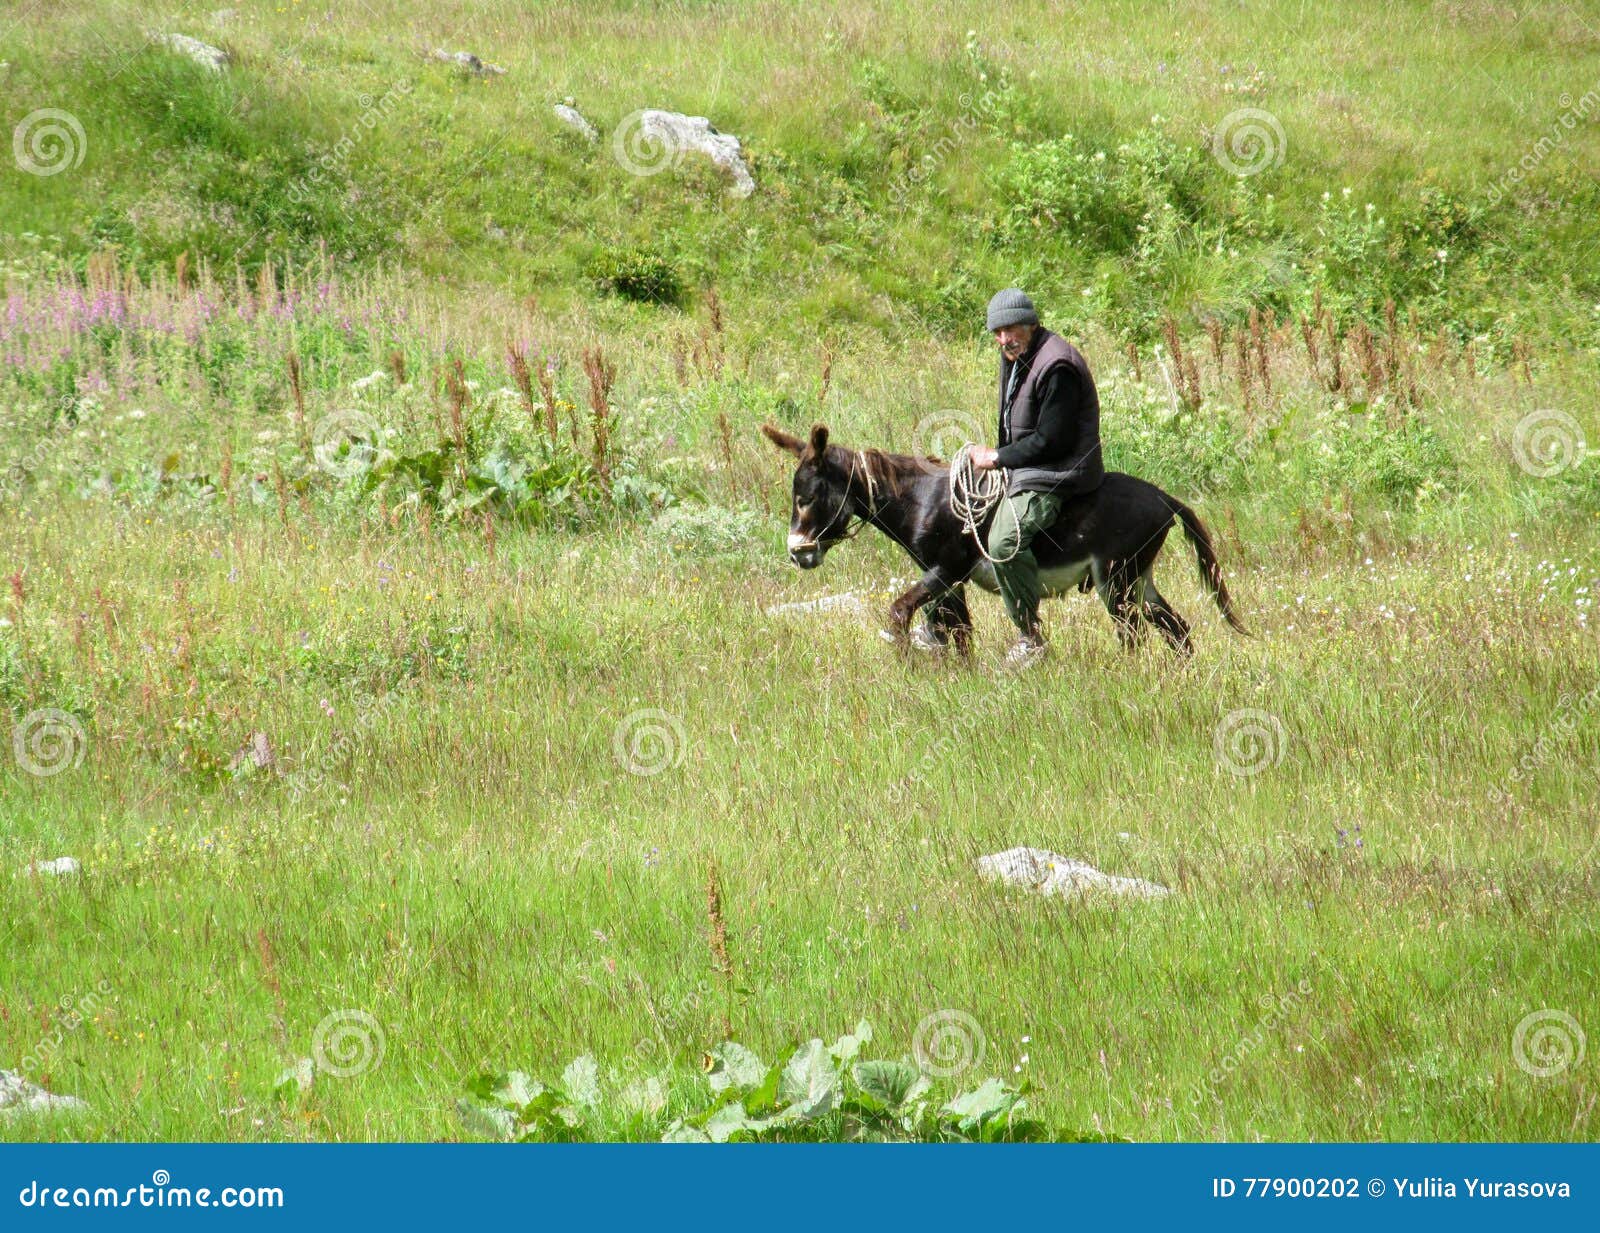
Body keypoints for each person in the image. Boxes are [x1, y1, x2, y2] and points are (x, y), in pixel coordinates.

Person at [967, 288, 1104, 665]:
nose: (1003, 339)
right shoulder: (1018, 354)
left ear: (1030, 323)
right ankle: (941, 626)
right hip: (1028, 467)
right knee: (957, 519)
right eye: (996, 332)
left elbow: (1052, 440)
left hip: (1059, 472)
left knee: (1002, 543)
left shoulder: (1057, 365)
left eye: (1010, 329)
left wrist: (998, 458)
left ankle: (1030, 637)